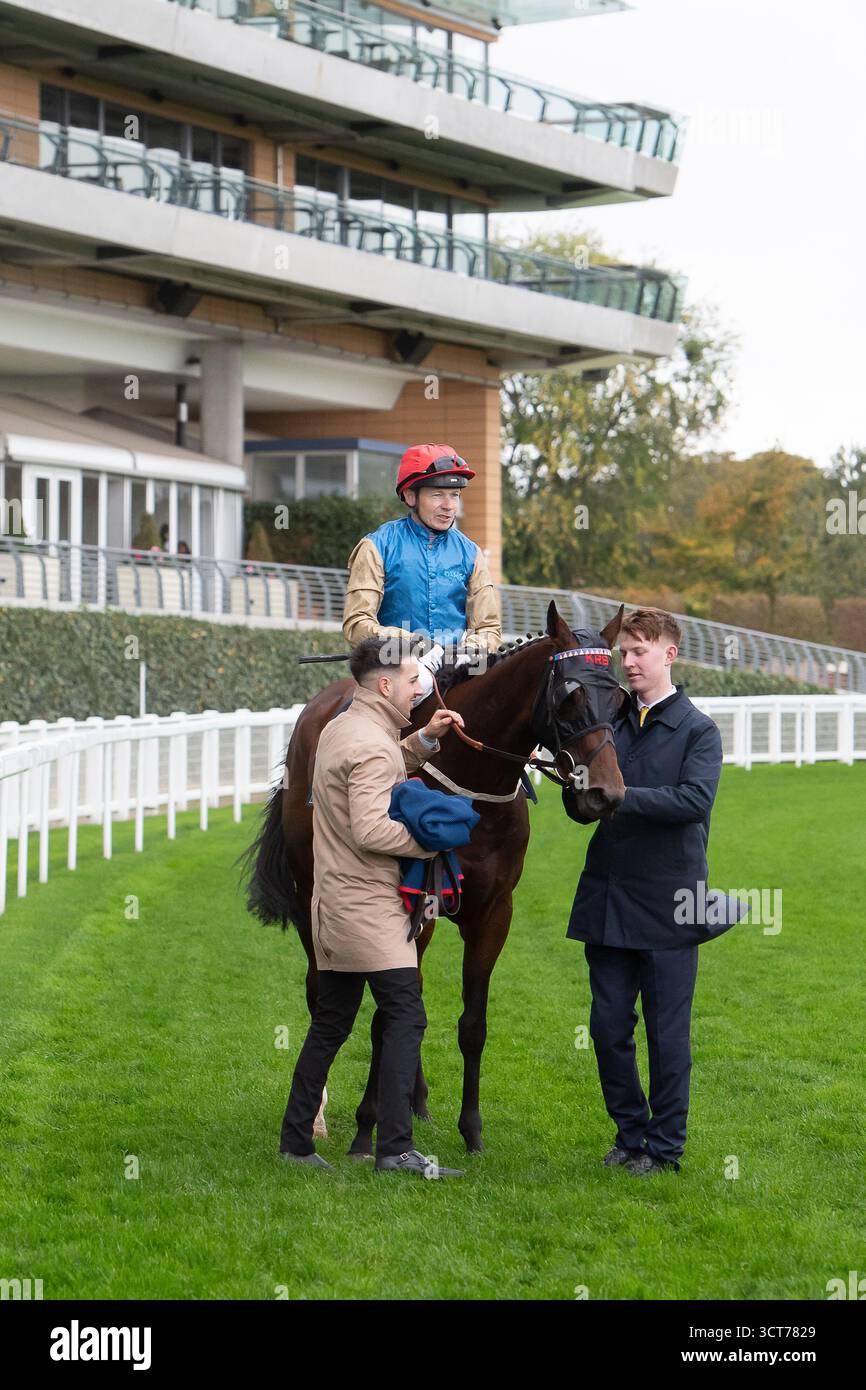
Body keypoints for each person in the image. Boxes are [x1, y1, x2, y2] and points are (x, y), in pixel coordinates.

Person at [279, 635, 467, 1177]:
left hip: (334, 904)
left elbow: (378, 766)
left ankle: (295, 1143)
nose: (419, 690)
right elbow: (370, 826)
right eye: (413, 681)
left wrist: (424, 741)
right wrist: (433, 843)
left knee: (332, 1022)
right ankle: (395, 1149)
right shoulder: (369, 741)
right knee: (406, 1015)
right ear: (385, 685)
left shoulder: (346, 728)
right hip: (367, 906)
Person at [563, 607, 736, 1177]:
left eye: (640, 651)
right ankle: (630, 1135)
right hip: (608, 898)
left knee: (666, 1037)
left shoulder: (698, 729)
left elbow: (693, 803)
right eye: (625, 652)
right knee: (608, 1031)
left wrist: (619, 794)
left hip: (671, 904)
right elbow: (585, 805)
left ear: (670, 655)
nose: (629, 661)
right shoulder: (606, 719)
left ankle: (664, 1151)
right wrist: (579, 790)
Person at [342, 444, 502, 701]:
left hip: (457, 668)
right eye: (438, 495)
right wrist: (413, 643)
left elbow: (489, 628)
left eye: (455, 495)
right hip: (392, 669)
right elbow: (356, 625)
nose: (449, 506)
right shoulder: (376, 546)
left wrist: (468, 651)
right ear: (410, 496)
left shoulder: (471, 553)